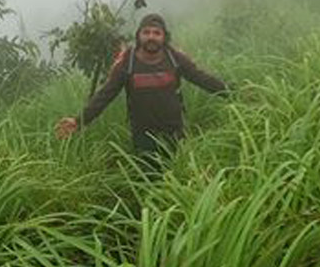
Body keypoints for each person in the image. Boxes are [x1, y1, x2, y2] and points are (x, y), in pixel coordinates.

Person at [54, 13, 230, 174]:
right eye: (146, 32)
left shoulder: (174, 58)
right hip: (143, 136)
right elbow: (106, 94)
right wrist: (79, 121)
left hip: (175, 131)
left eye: (156, 32)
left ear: (164, 37)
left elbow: (202, 78)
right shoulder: (127, 62)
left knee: (179, 175)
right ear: (139, 35)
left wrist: (233, 92)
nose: (151, 37)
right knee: (150, 178)